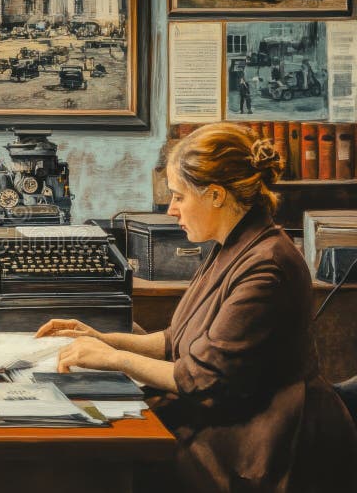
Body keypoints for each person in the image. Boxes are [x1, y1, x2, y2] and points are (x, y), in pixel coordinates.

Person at [37, 123, 357, 492]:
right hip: (233, 415)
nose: (171, 209)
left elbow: (200, 377)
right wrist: (105, 340)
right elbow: (179, 340)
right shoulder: (234, 245)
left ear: (216, 195)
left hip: (264, 439)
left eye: (179, 196)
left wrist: (114, 359)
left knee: (107, 466)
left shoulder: (266, 265)